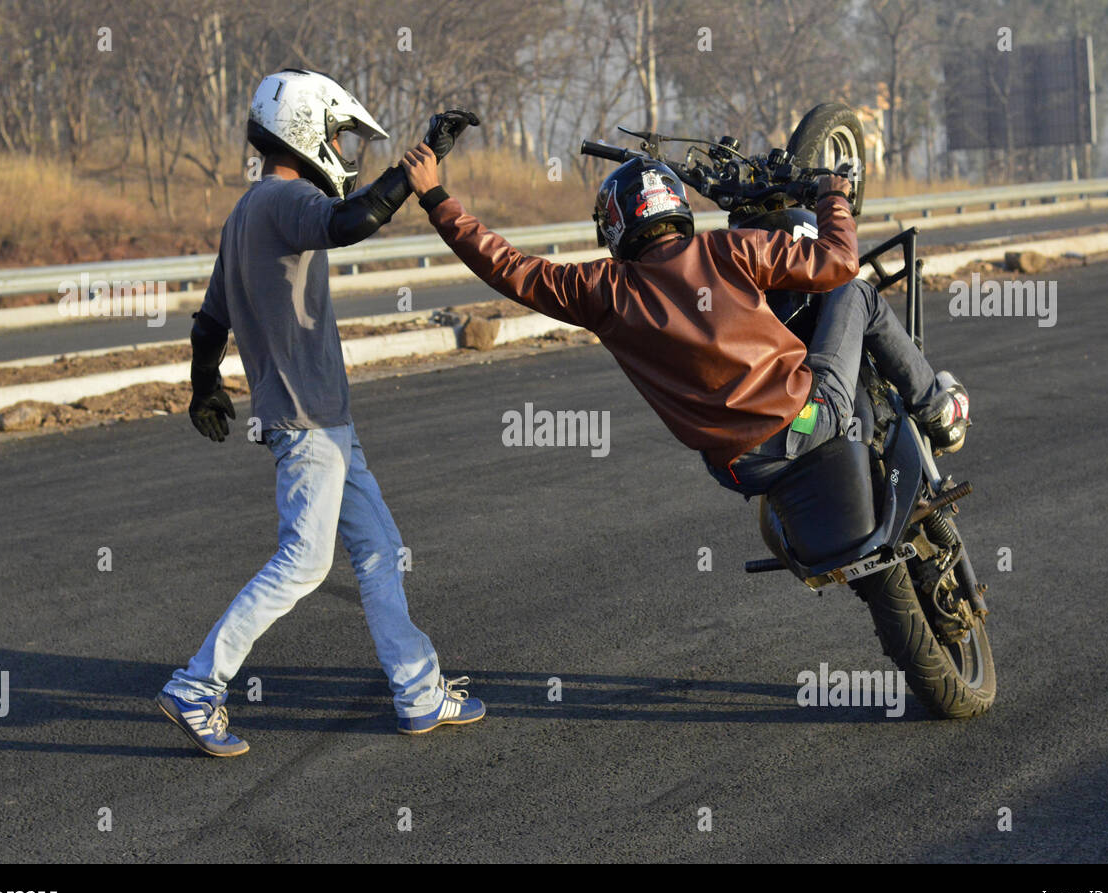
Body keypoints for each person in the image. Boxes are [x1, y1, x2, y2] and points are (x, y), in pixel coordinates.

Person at [155, 70, 484, 757]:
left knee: (380, 548)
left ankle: (419, 692)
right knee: (305, 563)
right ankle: (196, 685)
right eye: (336, 135)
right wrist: (419, 163)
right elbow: (351, 221)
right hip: (307, 422)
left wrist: (204, 386)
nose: (341, 149)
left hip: (322, 421)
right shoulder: (289, 199)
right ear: (303, 130)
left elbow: (209, 323)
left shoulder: (245, 212)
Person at [398, 142, 969, 498]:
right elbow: (838, 262)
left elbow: (507, 267)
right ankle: (937, 409)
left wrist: (437, 198)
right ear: (676, 202)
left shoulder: (600, 291)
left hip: (737, 469)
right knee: (855, 292)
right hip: (807, 421)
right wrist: (834, 200)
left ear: (616, 226)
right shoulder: (730, 249)